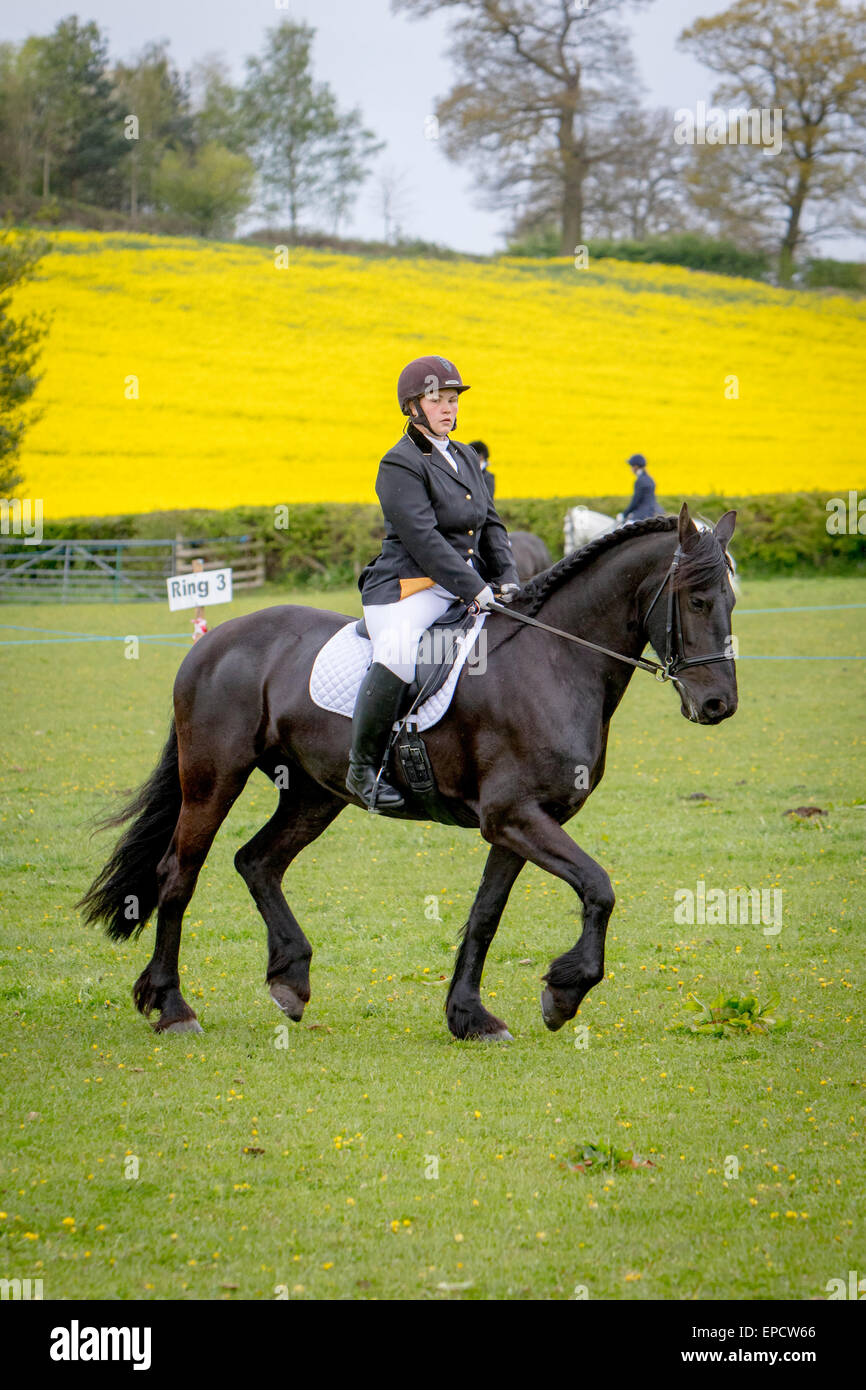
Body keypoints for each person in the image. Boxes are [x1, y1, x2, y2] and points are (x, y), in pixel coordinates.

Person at [348, 356, 520, 810]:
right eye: (436, 400)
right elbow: (423, 540)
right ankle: (361, 769)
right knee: (400, 653)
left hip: (462, 584)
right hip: (408, 588)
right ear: (412, 406)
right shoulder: (399, 462)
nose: (448, 408)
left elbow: (491, 524)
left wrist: (508, 577)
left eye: (452, 400)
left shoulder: (464, 455)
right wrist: (475, 589)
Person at [620, 453, 663, 523]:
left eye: (631, 466)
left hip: (641, 516)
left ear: (636, 466)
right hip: (653, 513)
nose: (631, 468)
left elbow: (635, 501)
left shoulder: (640, 481)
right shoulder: (650, 479)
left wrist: (624, 514)